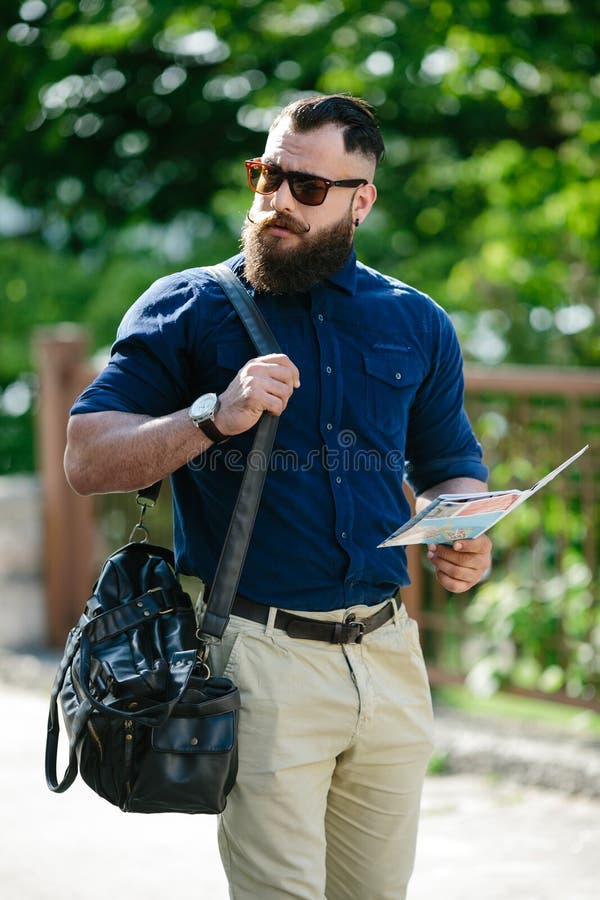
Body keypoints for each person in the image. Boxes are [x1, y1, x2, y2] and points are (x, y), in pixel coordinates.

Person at [65, 94, 492, 900]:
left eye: (308, 187)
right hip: (260, 657)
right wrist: (211, 416)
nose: (276, 202)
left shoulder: (416, 321)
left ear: (361, 202)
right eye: (267, 175)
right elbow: (86, 458)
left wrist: (467, 530)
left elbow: (449, 464)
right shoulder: (187, 306)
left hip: (391, 656)